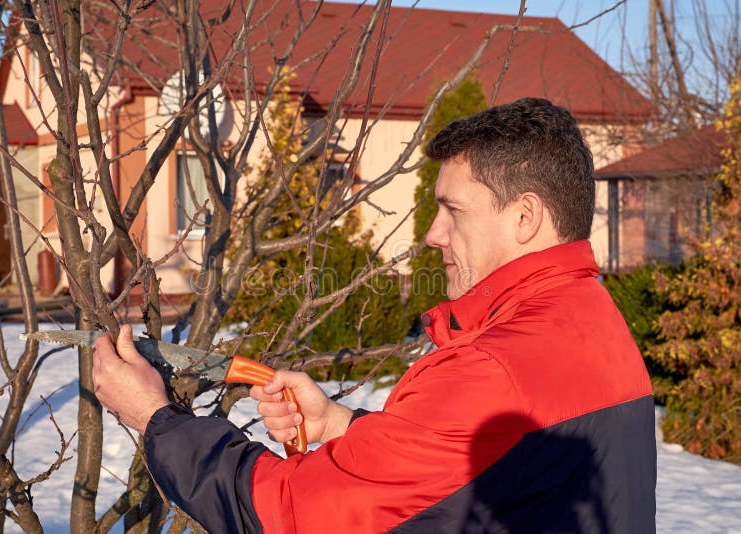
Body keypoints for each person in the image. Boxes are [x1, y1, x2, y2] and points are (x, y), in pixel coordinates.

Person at [93, 97, 656, 533]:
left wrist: (153, 416)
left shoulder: (490, 370)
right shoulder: (595, 318)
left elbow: (284, 514)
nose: (434, 235)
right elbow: (478, 467)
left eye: (452, 211)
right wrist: (340, 425)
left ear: (525, 217)